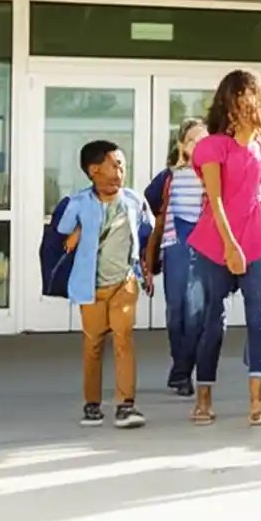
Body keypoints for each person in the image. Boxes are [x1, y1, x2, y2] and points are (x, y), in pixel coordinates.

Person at [188, 69, 261, 427]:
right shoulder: (211, 146)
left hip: (255, 244)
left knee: (259, 321)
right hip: (214, 244)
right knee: (212, 322)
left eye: (255, 98)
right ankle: (203, 400)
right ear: (230, 104)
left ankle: (257, 403)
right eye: (244, 98)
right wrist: (230, 245)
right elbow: (216, 200)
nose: (252, 105)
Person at [58, 140, 154, 429]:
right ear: (94, 170)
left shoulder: (134, 201)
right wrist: (75, 231)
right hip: (91, 287)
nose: (120, 170)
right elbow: (59, 236)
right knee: (93, 345)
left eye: (122, 164)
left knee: (124, 340)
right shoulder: (78, 204)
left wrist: (146, 268)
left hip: (124, 282)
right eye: (114, 164)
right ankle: (92, 404)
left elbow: (147, 232)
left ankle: (126, 405)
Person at [142, 117, 208, 397]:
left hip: (204, 247)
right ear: (182, 145)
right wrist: (148, 257)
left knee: (197, 313)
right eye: (192, 139)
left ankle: (181, 372)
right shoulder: (169, 176)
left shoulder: (215, 174)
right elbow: (149, 209)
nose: (198, 144)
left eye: (203, 139)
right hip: (175, 246)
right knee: (176, 311)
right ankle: (181, 370)